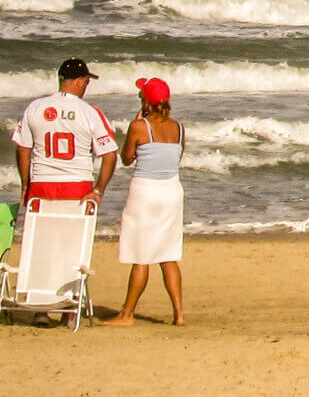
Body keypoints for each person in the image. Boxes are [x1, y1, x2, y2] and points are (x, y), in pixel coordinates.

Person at [108, 78, 186, 326]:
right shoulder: (179, 128)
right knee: (168, 254)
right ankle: (179, 315)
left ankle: (127, 314)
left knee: (141, 254)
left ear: (146, 101)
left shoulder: (139, 126)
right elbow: (175, 159)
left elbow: (127, 158)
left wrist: (138, 121)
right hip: (172, 191)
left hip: (145, 191)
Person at [12, 58, 118, 213]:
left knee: (40, 234)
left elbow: (23, 149)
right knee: (75, 235)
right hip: (77, 186)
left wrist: (26, 185)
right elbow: (110, 154)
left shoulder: (34, 107)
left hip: (41, 184)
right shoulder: (90, 112)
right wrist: (98, 191)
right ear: (80, 81)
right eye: (87, 82)